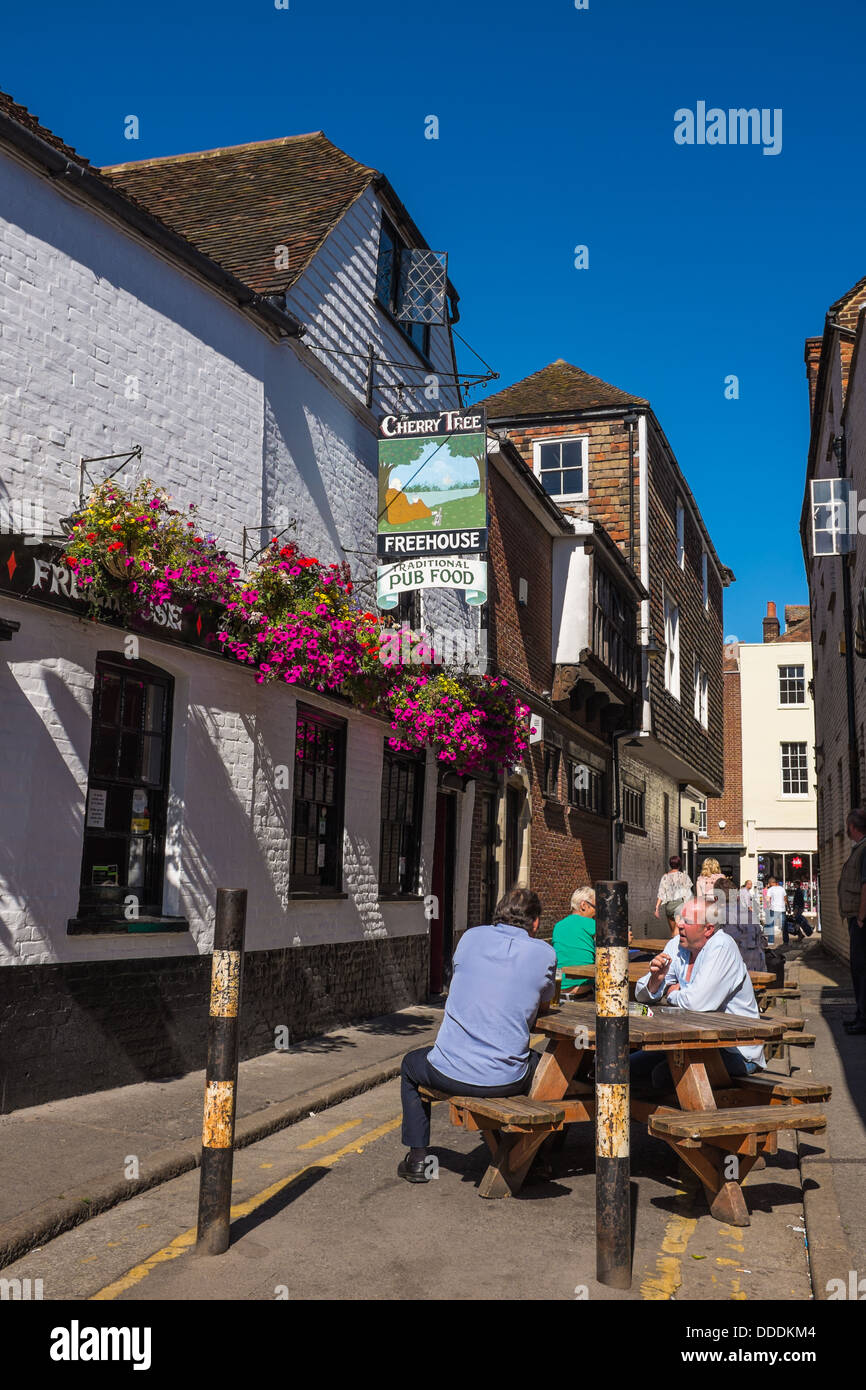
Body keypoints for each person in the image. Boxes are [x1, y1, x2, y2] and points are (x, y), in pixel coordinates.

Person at [397, 887, 557, 1182]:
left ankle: (418, 1160)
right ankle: (536, 1158)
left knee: (410, 1066)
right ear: (535, 923)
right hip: (505, 1080)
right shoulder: (544, 953)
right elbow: (544, 1002)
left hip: (447, 1071)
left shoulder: (470, 937)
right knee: (555, 1072)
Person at [630, 896, 765, 1090]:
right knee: (626, 1065)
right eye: (680, 918)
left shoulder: (721, 946)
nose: (679, 924)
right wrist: (655, 981)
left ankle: (679, 1118)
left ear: (708, 929)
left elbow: (698, 1003)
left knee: (662, 1075)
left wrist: (670, 993)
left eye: (687, 921)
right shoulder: (678, 944)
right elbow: (641, 995)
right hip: (689, 1042)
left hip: (735, 1049)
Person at [838, 810, 866, 1035]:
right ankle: (860, 1013)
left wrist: (861, 917)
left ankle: (863, 1018)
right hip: (856, 918)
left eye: (847, 826)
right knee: (857, 969)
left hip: (861, 920)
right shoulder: (859, 849)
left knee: (861, 968)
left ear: (852, 827)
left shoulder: (864, 850)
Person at [552, 887, 597, 995]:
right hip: (582, 990)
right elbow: (613, 945)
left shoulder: (558, 926)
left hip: (558, 989)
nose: (596, 912)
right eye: (596, 907)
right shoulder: (592, 924)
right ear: (584, 905)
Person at [654, 856, 693, 935]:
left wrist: (657, 908)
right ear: (680, 864)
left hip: (669, 907)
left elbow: (661, 893)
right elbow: (688, 893)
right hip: (680, 905)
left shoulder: (665, 877)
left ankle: (672, 945)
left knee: (673, 932)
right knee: (678, 931)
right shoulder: (684, 876)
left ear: (670, 864)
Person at [765, 877, 788, 945]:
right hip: (782, 909)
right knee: (784, 926)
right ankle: (786, 941)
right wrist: (788, 908)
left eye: (769, 883)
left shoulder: (770, 889)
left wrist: (768, 906)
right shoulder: (782, 888)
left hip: (773, 909)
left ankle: (771, 941)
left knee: (771, 925)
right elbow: (785, 899)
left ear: (771, 883)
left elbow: (767, 899)